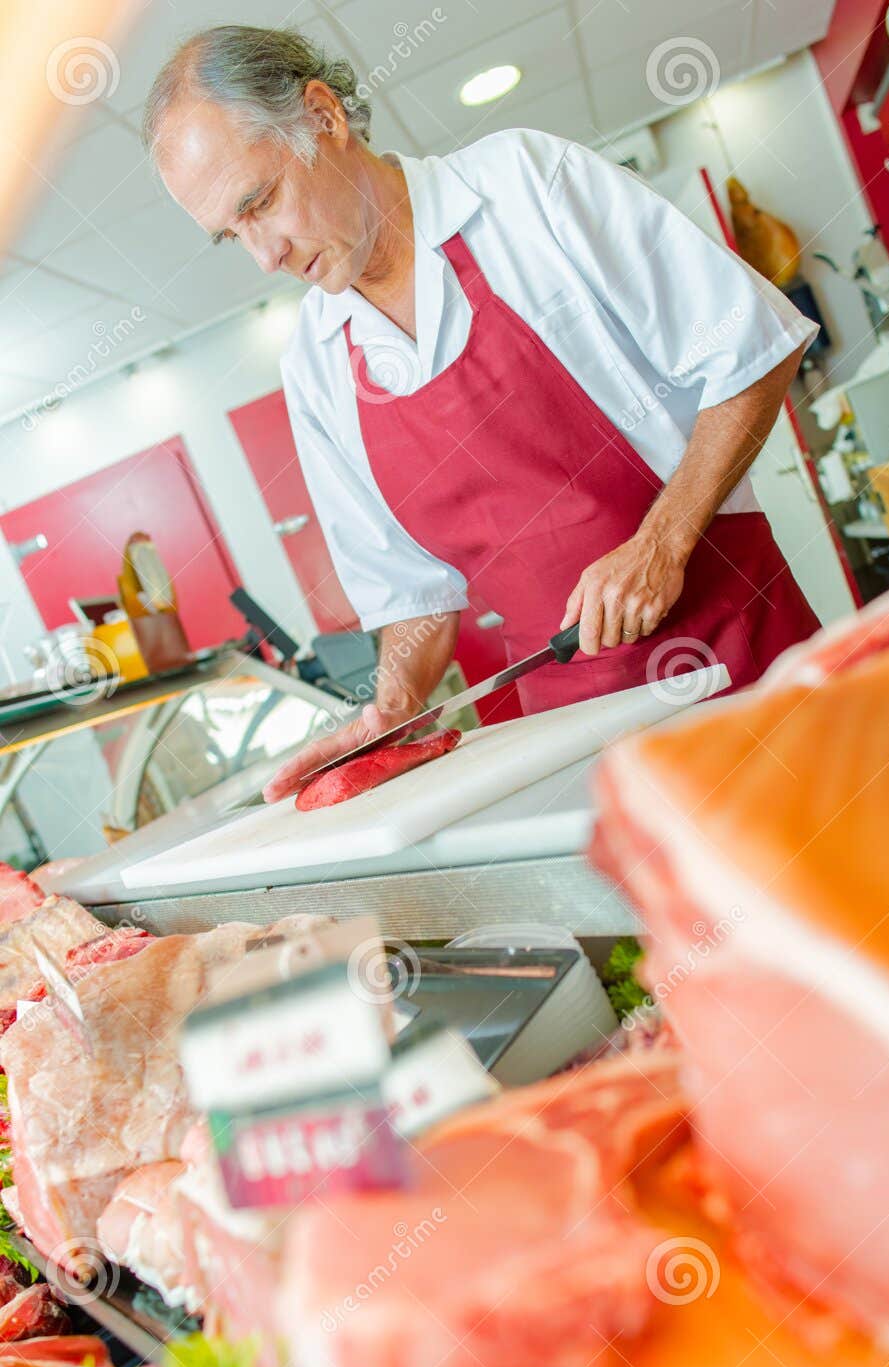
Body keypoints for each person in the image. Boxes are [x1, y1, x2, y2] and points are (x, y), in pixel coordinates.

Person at [143, 26, 820, 802]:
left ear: (323, 118)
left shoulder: (525, 187)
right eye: (233, 235)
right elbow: (414, 596)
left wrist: (662, 543)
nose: (265, 256)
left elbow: (751, 350)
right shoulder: (318, 362)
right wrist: (390, 705)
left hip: (742, 662)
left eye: (259, 203)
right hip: (574, 739)